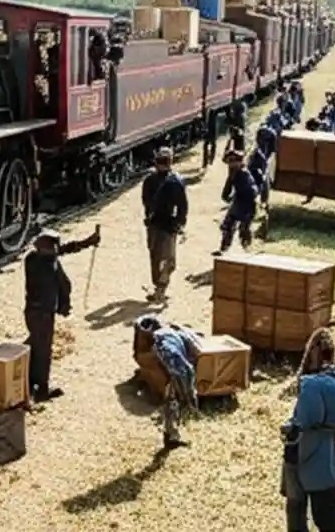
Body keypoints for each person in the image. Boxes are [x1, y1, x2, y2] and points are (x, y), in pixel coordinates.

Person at [281, 328, 335, 532]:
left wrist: (289, 427)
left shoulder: (312, 385)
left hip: (304, 451)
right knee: (328, 511)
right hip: (327, 451)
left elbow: (306, 419)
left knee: (302, 512)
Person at [23, 227, 101, 401]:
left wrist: (87, 242)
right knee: (43, 351)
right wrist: (65, 306)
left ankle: (29, 380)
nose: (57, 249)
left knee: (36, 343)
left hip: (32, 312)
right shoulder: (49, 267)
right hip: (42, 314)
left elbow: (65, 249)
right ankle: (41, 389)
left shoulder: (33, 258)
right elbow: (64, 285)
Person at [136, 315, 202, 450]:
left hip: (160, 365)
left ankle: (171, 436)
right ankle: (172, 435)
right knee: (176, 398)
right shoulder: (177, 332)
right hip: (173, 364)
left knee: (170, 399)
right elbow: (197, 350)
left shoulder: (150, 338)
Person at [141, 147, 188, 302]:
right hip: (168, 225)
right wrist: (180, 222)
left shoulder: (149, 180)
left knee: (155, 257)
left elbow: (146, 202)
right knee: (168, 260)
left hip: (154, 224)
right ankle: (161, 287)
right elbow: (183, 206)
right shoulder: (177, 181)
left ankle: (159, 287)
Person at [215, 150, 257, 256]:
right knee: (227, 226)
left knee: (244, 230)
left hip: (247, 205)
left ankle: (248, 251)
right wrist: (227, 197)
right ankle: (224, 249)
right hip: (238, 203)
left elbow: (252, 192)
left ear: (238, 162)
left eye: (232, 161)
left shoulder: (244, 174)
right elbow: (227, 189)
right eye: (229, 161)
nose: (230, 163)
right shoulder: (233, 171)